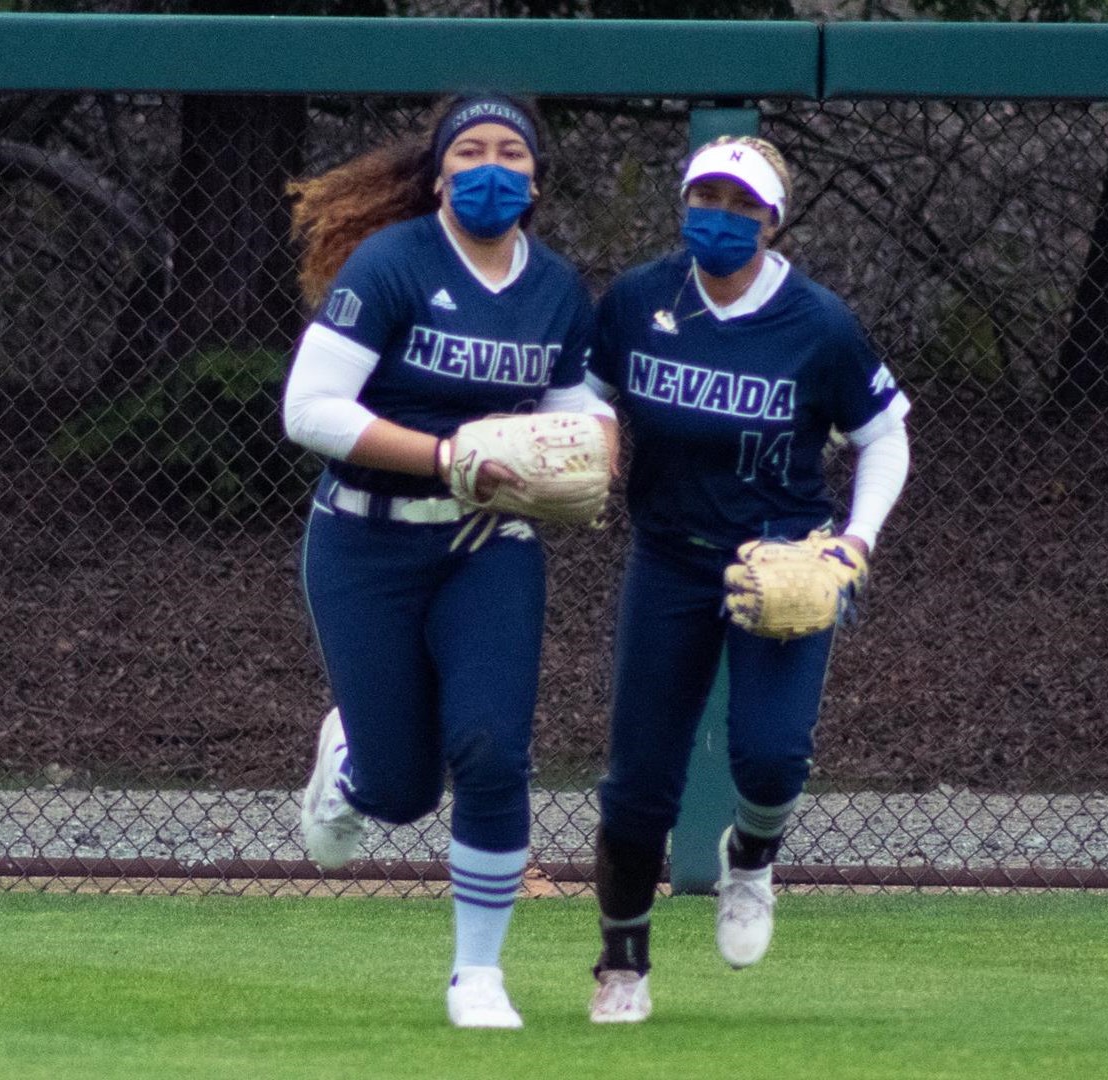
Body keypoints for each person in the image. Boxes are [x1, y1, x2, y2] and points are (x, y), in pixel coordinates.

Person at [280, 94, 614, 1030]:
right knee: (402, 793)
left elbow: (576, 409)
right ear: (437, 174)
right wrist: (443, 454)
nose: (492, 167)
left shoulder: (553, 288)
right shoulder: (391, 264)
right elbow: (309, 410)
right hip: (366, 538)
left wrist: (593, 444)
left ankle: (478, 975)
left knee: (491, 750)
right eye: (470, 152)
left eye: (512, 152)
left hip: (485, 543)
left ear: (537, 178)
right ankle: (351, 762)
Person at [581, 136, 911, 1023]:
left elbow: (884, 434)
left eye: (740, 205)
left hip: (783, 560)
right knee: (638, 781)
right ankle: (621, 961)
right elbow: (586, 388)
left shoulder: (817, 323)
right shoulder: (641, 298)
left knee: (768, 755)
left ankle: (753, 857)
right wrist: (590, 436)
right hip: (668, 556)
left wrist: (855, 542)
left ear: (773, 218)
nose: (718, 218)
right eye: (705, 197)